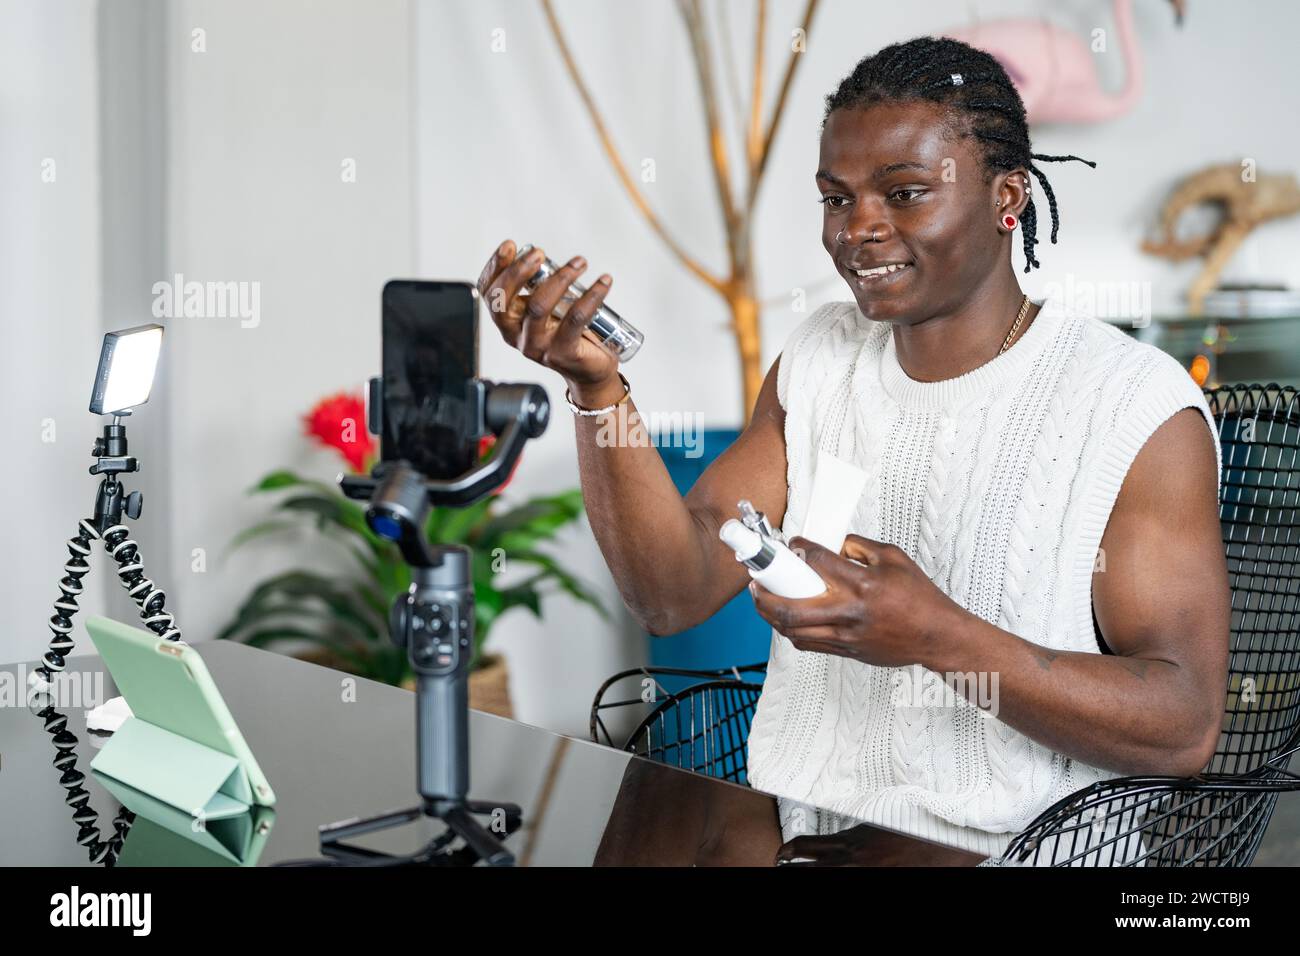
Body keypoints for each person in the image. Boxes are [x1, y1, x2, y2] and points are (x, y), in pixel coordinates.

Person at [475, 35, 1229, 864]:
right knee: (641, 814)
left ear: (1007, 195)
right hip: (811, 814)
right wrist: (596, 390)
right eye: (837, 200)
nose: (858, 231)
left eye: (904, 194)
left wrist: (936, 635)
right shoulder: (821, 360)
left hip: (1017, 840)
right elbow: (671, 592)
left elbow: (1183, 726)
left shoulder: (1132, 406)